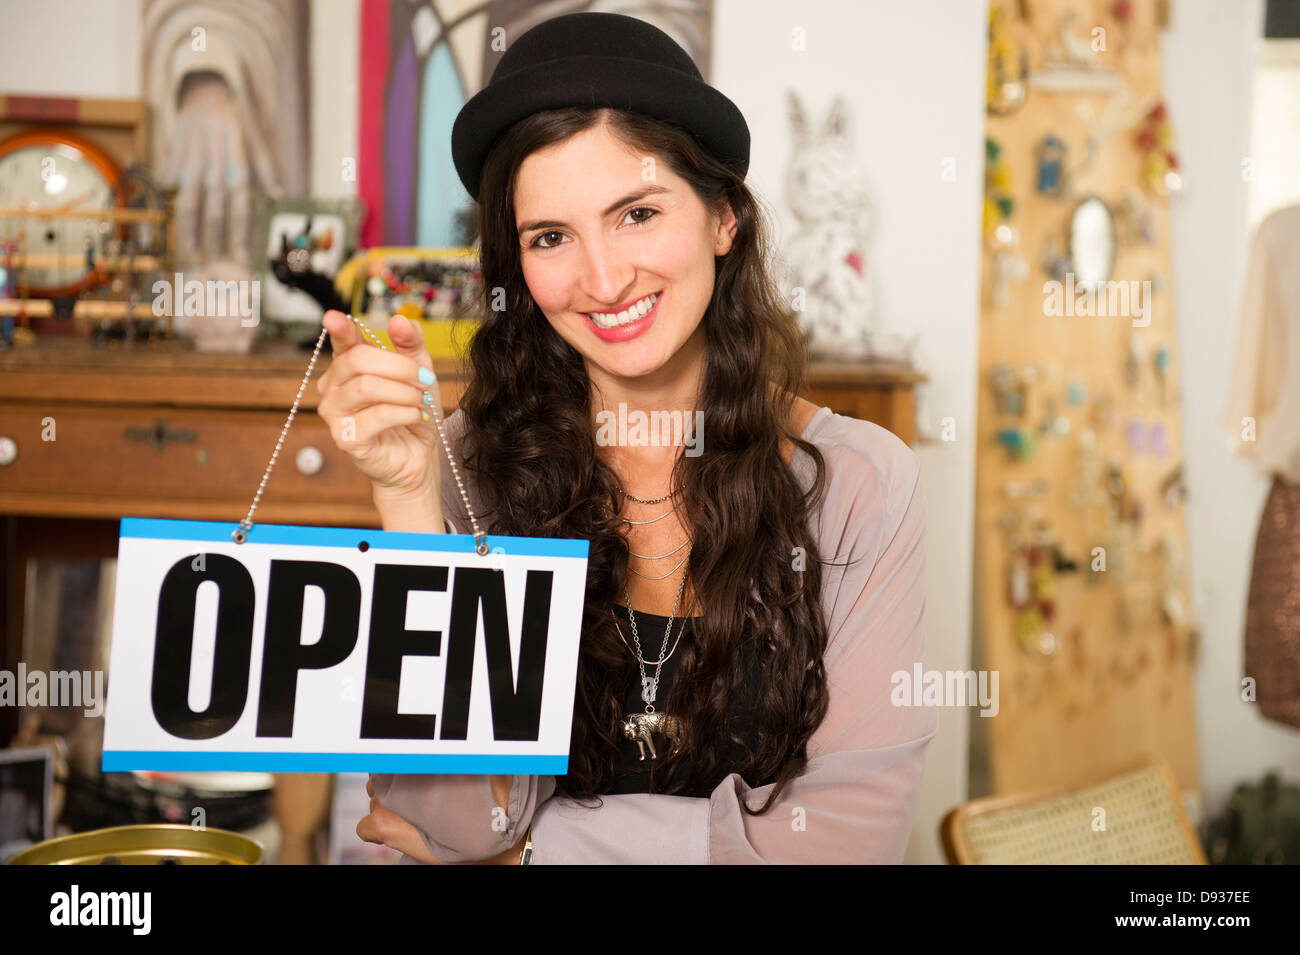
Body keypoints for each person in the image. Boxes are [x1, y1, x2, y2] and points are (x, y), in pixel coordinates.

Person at [315, 12, 936, 864]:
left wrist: (533, 853)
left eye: (637, 213)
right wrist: (409, 503)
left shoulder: (860, 487)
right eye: (551, 237)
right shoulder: (457, 467)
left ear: (725, 220)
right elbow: (445, 827)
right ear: (516, 269)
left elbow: (844, 847)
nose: (603, 280)